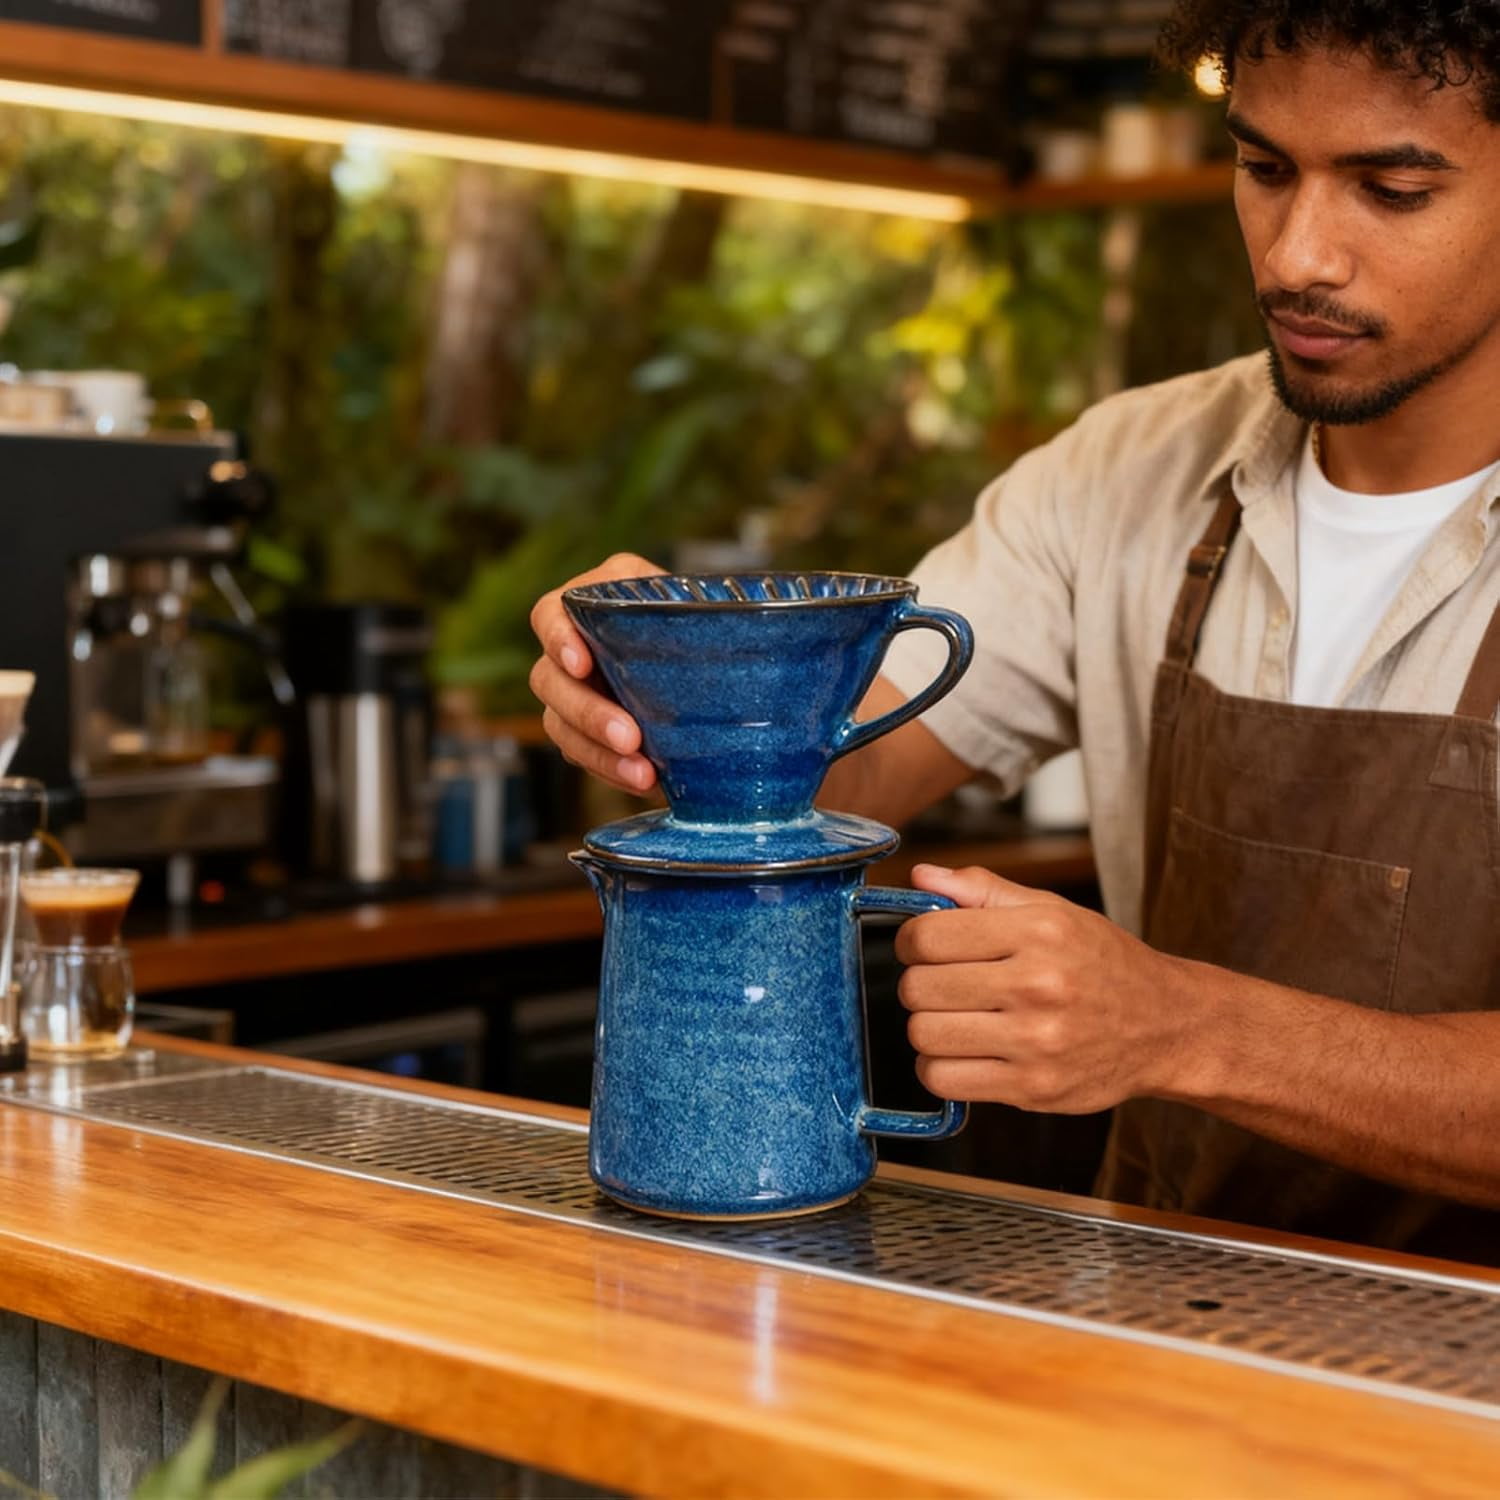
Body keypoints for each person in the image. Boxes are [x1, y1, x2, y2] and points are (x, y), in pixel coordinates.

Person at [529, 0, 1500, 1263]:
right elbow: (843, 766)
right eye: (1264, 170)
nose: (1297, 255)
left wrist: (1181, 1028)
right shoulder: (1126, 474)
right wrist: (666, 693)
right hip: (1163, 1325)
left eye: (1393, 189)